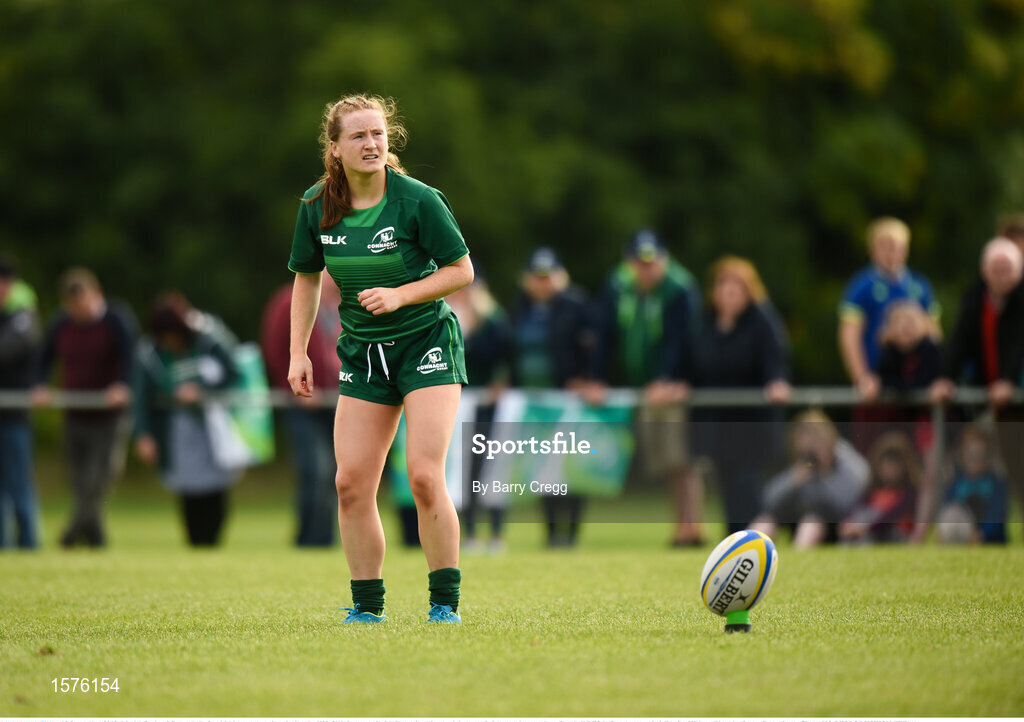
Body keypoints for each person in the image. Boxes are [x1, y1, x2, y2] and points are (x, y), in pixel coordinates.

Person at [287, 94, 473, 624]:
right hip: (365, 354)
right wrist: (298, 352)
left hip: (425, 343)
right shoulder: (316, 205)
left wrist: (402, 293)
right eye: (358, 136)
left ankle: (444, 606)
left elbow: (461, 271)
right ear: (335, 148)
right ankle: (368, 611)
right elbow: (305, 276)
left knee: (422, 477)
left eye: (378, 134)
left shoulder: (418, 200)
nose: (371, 144)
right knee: (350, 484)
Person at [585, 229, 701, 546]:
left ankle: (691, 529)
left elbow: (682, 341)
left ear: (664, 260)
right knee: (666, 461)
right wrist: (596, 378)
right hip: (646, 389)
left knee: (682, 459)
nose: (646, 269)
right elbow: (604, 335)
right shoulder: (617, 285)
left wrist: (667, 378)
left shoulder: (680, 288)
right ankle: (682, 527)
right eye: (640, 262)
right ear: (630, 262)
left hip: (676, 388)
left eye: (652, 262)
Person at [33, 268, 136, 548]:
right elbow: (43, 359)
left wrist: (121, 385)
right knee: (79, 481)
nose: (79, 311)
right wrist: (41, 385)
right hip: (75, 413)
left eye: (83, 303)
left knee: (100, 479)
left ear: (96, 295)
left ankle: (71, 533)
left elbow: (131, 357)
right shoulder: (61, 323)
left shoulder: (116, 319)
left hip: (108, 415)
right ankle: (95, 536)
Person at [689, 256, 791, 535]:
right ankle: (734, 544)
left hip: (752, 422)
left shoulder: (762, 319)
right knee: (727, 488)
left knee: (748, 486)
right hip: (720, 423)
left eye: (738, 288)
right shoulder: (706, 323)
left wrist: (776, 382)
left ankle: (754, 545)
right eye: (725, 287)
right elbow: (695, 365)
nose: (730, 294)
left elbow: (776, 359)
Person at [133, 293, 241, 547]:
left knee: (216, 486)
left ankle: (213, 539)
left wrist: (202, 392)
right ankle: (195, 541)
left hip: (214, 427)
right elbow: (141, 396)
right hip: (175, 429)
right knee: (187, 487)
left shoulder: (210, 338)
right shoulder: (151, 353)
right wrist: (143, 434)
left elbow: (234, 372)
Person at [509, 247, 594, 547]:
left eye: (547, 276)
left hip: (567, 402)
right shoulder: (521, 307)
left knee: (570, 467)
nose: (542, 283)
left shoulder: (576, 305)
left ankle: (570, 533)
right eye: (537, 276)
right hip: (535, 404)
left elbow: (594, 345)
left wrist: (586, 378)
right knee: (541, 468)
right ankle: (550, 532)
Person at [261, 271, 342, 547]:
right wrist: (294, 389)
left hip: (336, 402)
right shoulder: (290, 301)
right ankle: (308, 539)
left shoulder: (344, 304)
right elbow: (275, 350)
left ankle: (325, 538)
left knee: (336, 474)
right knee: (315, 471)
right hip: (302, 403)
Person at [839, 217, 941, 401]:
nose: (892, 252)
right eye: (884, 246)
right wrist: (862, 379)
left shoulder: (919, 285)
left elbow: (934, 333)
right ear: (872, 250)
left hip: (917, 383)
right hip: (878, 383)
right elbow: (849, 337)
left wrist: (937, 373)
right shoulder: (861, 286)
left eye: (897, 246)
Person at [447, 270, 512, 553]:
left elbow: (506, 356)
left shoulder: (494, 321)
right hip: (461, 404)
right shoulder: (450, 318)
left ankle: (496, 533)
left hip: (491, 407)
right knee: (466, 469)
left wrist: (501, 380)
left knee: (494, 466)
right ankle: (470, 532)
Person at [752, 410, 870, 548]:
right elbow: (768, 501)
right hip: (798, 517)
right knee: (766, 521)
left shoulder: (847, 462)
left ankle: (799, 557)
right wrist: (794, 479)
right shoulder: (798, 466)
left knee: (811, 522)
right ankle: (747, 553)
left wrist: (825, 474)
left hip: (835, 524)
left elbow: (847, 501)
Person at [0, 256, 41, 549]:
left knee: (19, 482)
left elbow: (9, 350)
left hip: (14, 411)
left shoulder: (22, 313)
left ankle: (28, 543)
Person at [838, 431, 920, 544]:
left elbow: (890, 517)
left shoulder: (908, 493)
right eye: (886, 464)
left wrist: (866, 528)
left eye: (894, 464)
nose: (889, 469)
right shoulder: (873, 490)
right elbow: (857, 505)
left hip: (887, 534)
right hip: (865, 529)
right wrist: (848, 521)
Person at [936, 425, 1008, 544]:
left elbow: (996, 516)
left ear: (987, 457)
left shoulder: (997, 484)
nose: (975, 459)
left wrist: (981, 535)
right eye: (971, 454)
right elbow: (948, 510)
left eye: (980, 455)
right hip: (961, 537)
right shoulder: (955, 484)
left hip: (990, 540)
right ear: (962, 456)